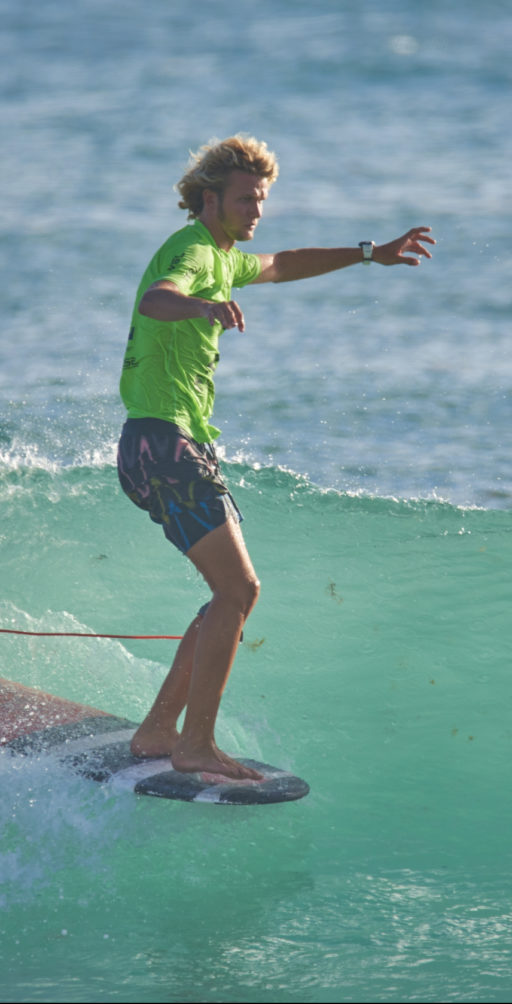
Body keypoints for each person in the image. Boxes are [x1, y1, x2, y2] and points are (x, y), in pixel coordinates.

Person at [117, 134, 434, 782]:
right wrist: (201, 305)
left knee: (227, 598)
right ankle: (194, 744)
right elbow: (157, 297)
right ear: (210, 199)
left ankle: (158, 731)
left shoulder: (223, 255)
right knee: (238, 590)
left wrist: (370, 254)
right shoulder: (194, 251)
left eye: (260, 200)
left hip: (162, 446)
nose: (256, 211)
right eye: (244, 200)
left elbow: (283, 264)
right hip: (165, 444)